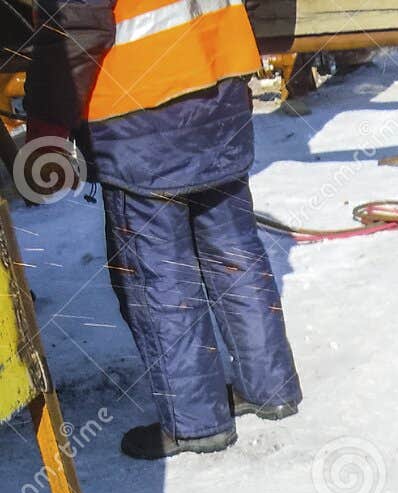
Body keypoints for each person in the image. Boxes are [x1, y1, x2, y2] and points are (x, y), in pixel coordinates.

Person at [24, 0, 301, 459]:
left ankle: (195, 423)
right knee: (234, 252)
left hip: (136, 110)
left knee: (158, 276)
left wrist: (47, 121)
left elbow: (76, 23)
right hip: (220, 88)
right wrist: (255, 45)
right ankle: (270, 387)